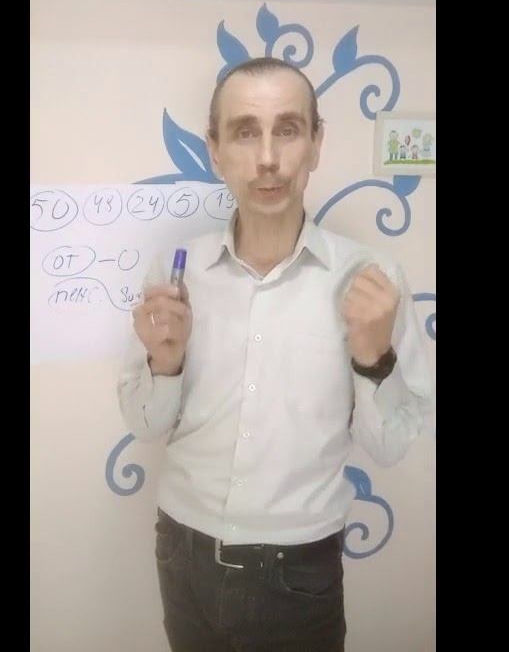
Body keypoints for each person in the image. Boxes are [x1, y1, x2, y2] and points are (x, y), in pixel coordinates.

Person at [117, 57, 433, 651]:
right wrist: (165, 365)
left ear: (316, 143)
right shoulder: (177, 273)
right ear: (215, 150)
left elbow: (391, 448)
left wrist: (374, 359)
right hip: (182, 553)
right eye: (244, 132)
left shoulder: (373, 280)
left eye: (287, 129)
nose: (267, 158)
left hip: (299, 571)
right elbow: (145, 424)